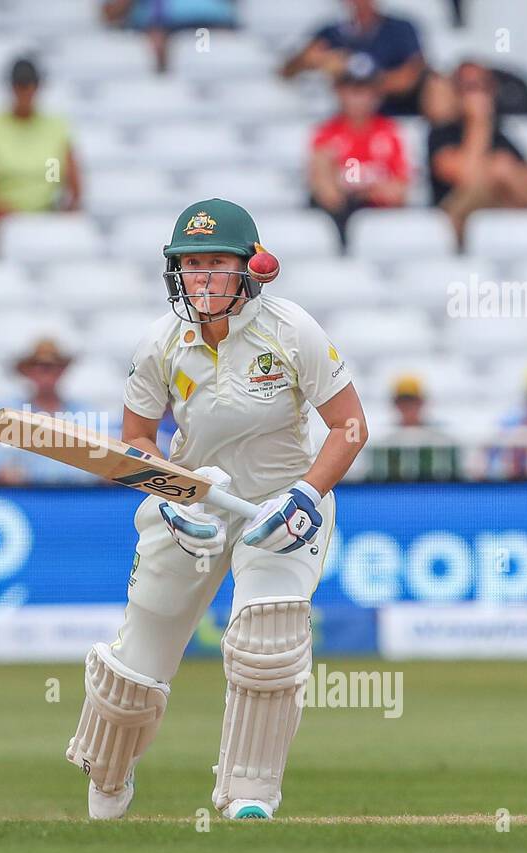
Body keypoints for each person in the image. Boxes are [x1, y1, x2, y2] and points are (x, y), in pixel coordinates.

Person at [65, 199, 368, 821]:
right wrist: (172, 494)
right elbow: (135, 441)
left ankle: (249, 795)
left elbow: (351, 427)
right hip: (194, 505)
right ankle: (108, 778)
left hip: (282, 508)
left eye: (216, 264)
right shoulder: (161, 342)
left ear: (251, 268)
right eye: (191, 264)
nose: (202, 278)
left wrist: (305, 494)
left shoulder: (290, 330)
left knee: (268, 642)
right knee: (136, 664)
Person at [427, 62, 527, 246]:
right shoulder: (441, 133)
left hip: (500, 222)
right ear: (455, 92)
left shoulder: (501, 134)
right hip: (457, 226)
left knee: (503, 170)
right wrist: (478, 123)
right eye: (468, 86)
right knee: (500, 168)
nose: (477, 94)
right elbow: (465, 178)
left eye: (483, 85)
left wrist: (503, 172)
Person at [0, 57, 82, 254]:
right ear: (11, 88)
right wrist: (3, 213)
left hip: (47, 213)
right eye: (20, 84)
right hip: (2, 218)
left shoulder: (56, 128)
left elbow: (74, 185)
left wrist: (63, 215)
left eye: (30, 84)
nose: (25, 91)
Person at [308, 55, 410, 245]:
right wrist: (371, 189)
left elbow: (398, 192)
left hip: (381, 224)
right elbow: (327, 194)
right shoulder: (326, 134)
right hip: (340, 223)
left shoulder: (389, 132)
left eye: (365, 91)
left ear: (377, 95)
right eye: (353, 90)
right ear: (340, 92)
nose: (359, 99)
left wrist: (351, 187)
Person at [281, 0, 426, 116]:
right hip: (344, 123)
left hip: (393, 116)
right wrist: (311, 60)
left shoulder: (400, 29)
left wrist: (350, 70)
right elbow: (287, 71)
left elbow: (410, 77)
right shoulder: (330, 33)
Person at [0, 336, 102, 485]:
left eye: (52, 366)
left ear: (61, 370)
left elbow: (98, 464)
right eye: (40, 366)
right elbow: (0, 466)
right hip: (28, 495)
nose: (46, 372)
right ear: (28, 371)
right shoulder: (11, 413)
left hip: (75, 494)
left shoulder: (84, 413)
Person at [100, 0, 238, 73]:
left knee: (207, 51)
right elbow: (111, 14)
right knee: (156, 42)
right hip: (160, 27)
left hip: (209, 23)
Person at [368, 374, 458, 480]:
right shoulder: (384, 442)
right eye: (403, 401)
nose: (408, 406)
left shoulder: (441, 439)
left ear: (422, 402)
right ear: (395, 404)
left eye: (412, 401)